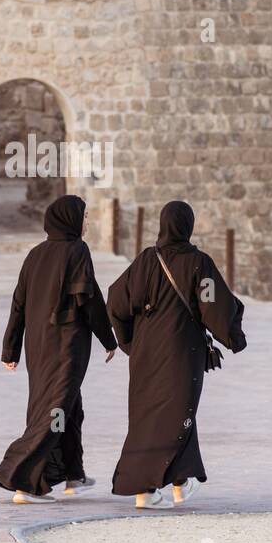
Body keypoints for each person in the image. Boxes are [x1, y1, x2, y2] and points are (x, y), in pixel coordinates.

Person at [107, 201, 246, 509]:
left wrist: (129, 341)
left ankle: (181, 482)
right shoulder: (199, 263)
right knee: (176, 413)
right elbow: (214, 305)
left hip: (145, 353)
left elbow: (116, 301)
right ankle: (145, 488)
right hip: (182, 352)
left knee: (158, 416)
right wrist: (234, 336)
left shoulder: (145, 261)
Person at [0, 194, 118, 504]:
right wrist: (108, 338)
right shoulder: (77, 250)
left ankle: (73, 475)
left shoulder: (35, 254)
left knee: (70, 408)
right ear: (71, 219)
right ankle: (21, 479)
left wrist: (11, 349)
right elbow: (88, 299)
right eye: (85, 217)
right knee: (54, 410)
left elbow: (18, 304)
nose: (87, 223)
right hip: (66, 346)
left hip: (38, 346)